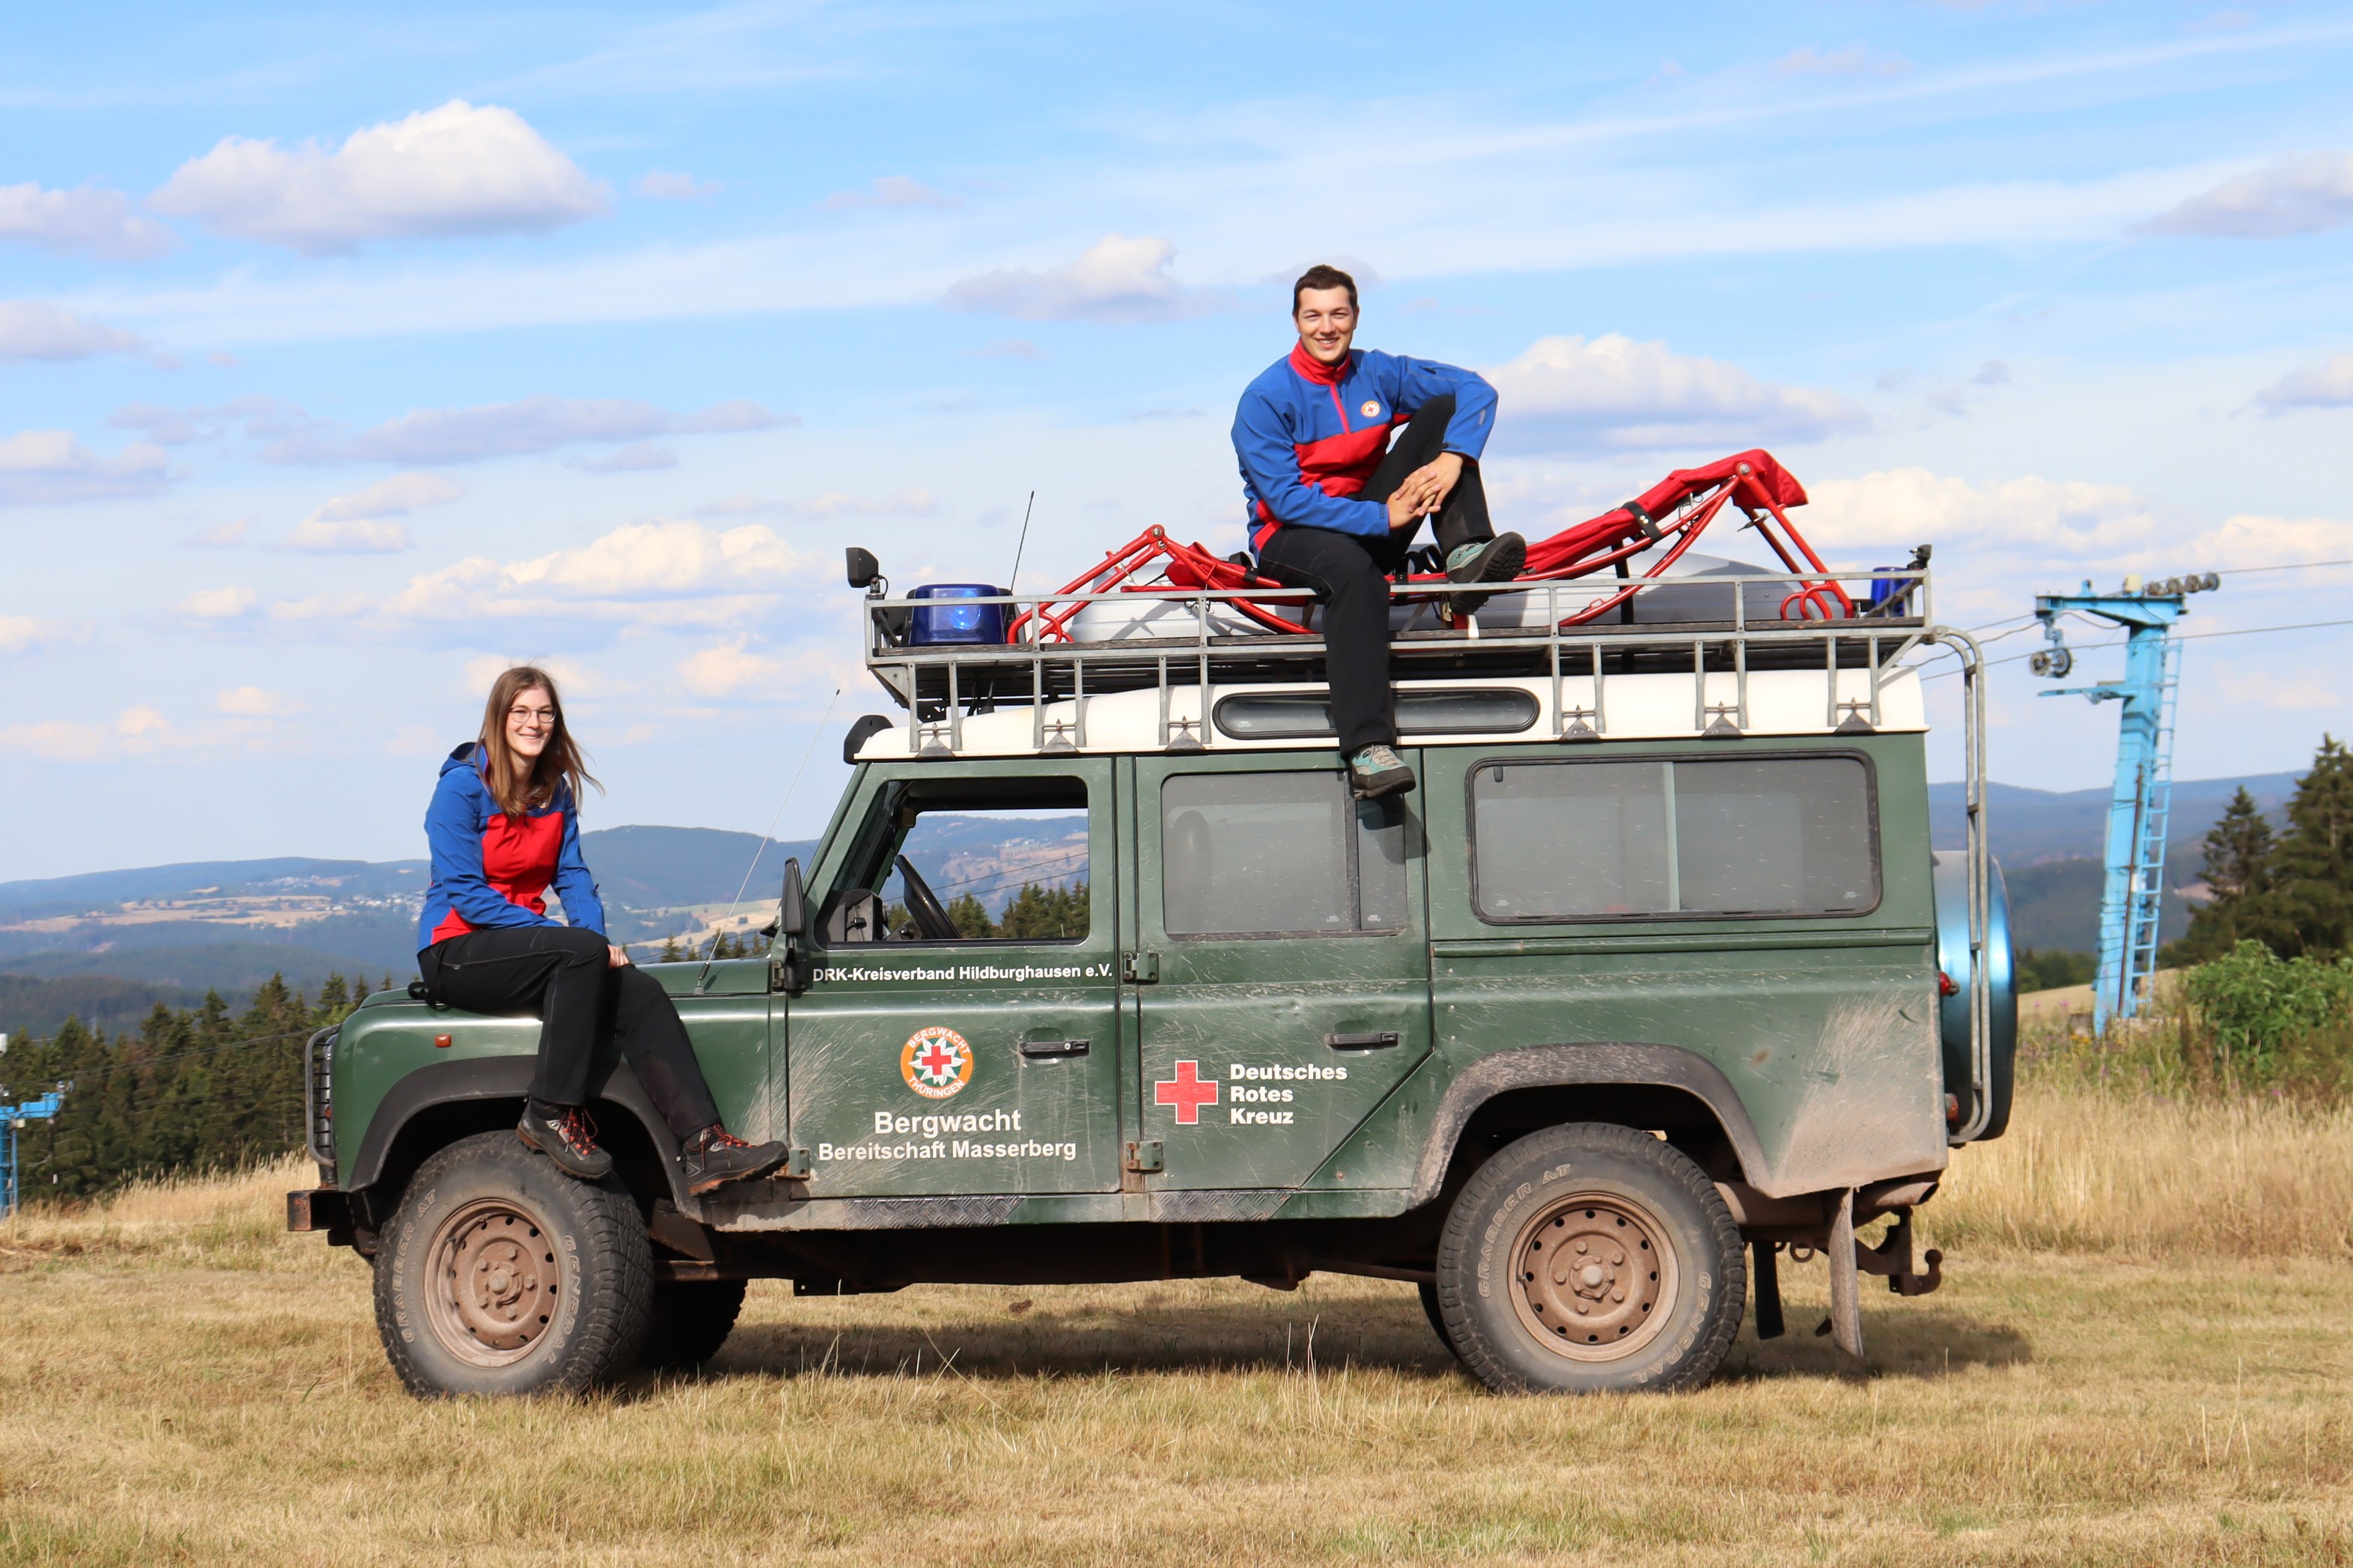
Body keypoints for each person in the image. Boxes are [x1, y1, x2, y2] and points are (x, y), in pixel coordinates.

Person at [415, 665, 788, 1194]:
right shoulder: (460, 789)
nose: (534, 722)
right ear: (497, 719)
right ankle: (547, 1111)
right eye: (521, 711)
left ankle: (703, 1145)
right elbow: (466, 894)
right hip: (457, 948)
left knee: (639, 991)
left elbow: (572, 875)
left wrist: (597, 940)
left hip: (526, 947)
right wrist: (580, 946)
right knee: (580, 956)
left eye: (544, 712)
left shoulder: (555, 789)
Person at [1232, 263, 1526, 800]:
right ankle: (1366, 748)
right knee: (1355, 571)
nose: (1326, 327)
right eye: (1313, 315)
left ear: (1355, 318)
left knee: (1442, 407)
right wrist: (1381, 519)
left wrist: (1455, 457)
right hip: (1290, 535)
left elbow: (1475, 390)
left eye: (1338, 314)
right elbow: (1286, 500)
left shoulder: (1377, 372)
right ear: (1295, 321)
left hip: (1371, 515)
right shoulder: (1264, 398)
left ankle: (1465, 554)